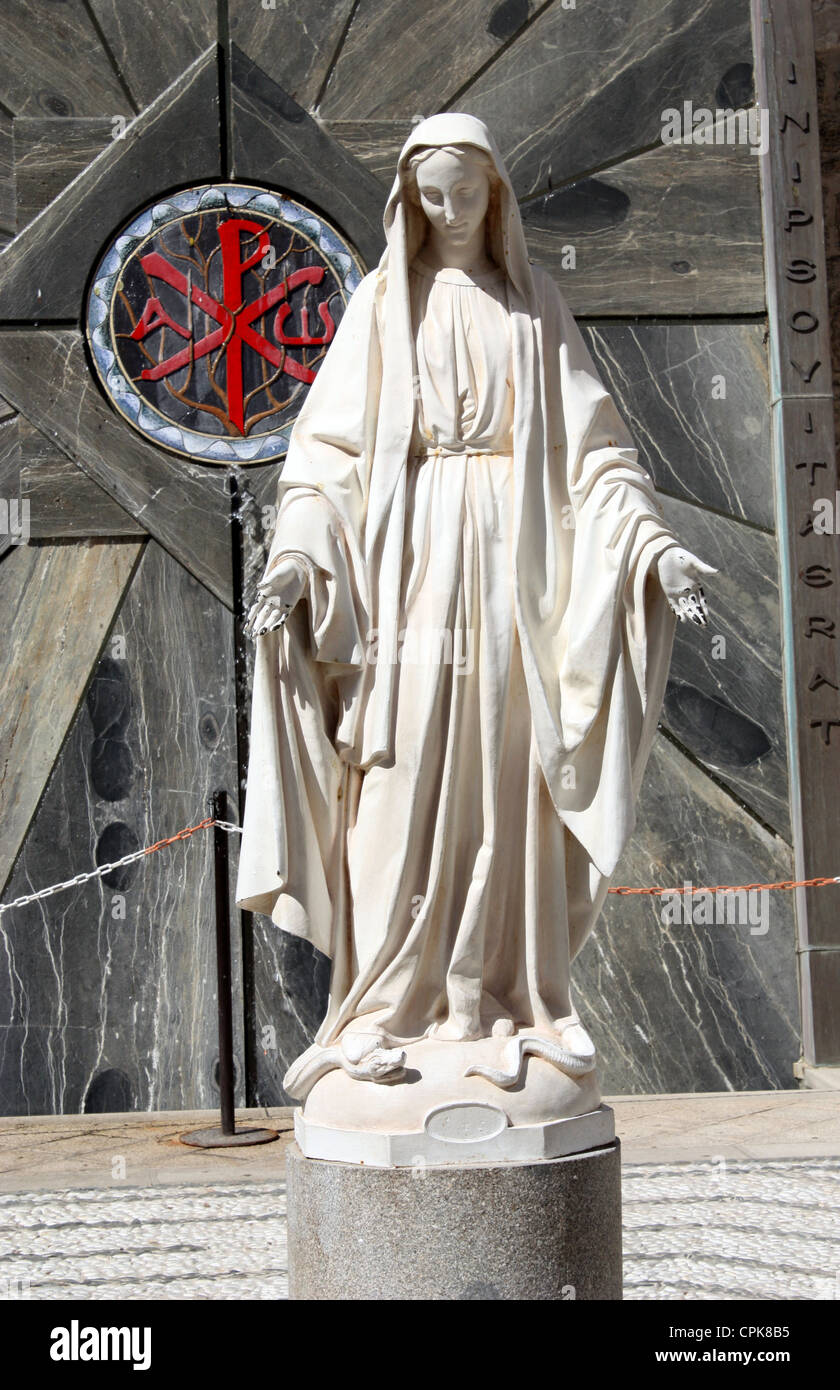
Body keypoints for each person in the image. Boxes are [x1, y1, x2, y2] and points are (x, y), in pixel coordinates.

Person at [236, 113, 714, 1109]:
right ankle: (382, 1006)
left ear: (495, 193)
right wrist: (293, 562)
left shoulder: (534, 305)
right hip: (408, 569)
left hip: (515, 567)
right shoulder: (380, 307)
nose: (447, 211)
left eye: (464, 191)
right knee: (397, 776)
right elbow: (325, 464)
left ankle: (495, 997)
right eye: (430, 194)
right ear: (407, 200)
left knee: (505, 774)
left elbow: (596, 456)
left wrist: (651, 546)